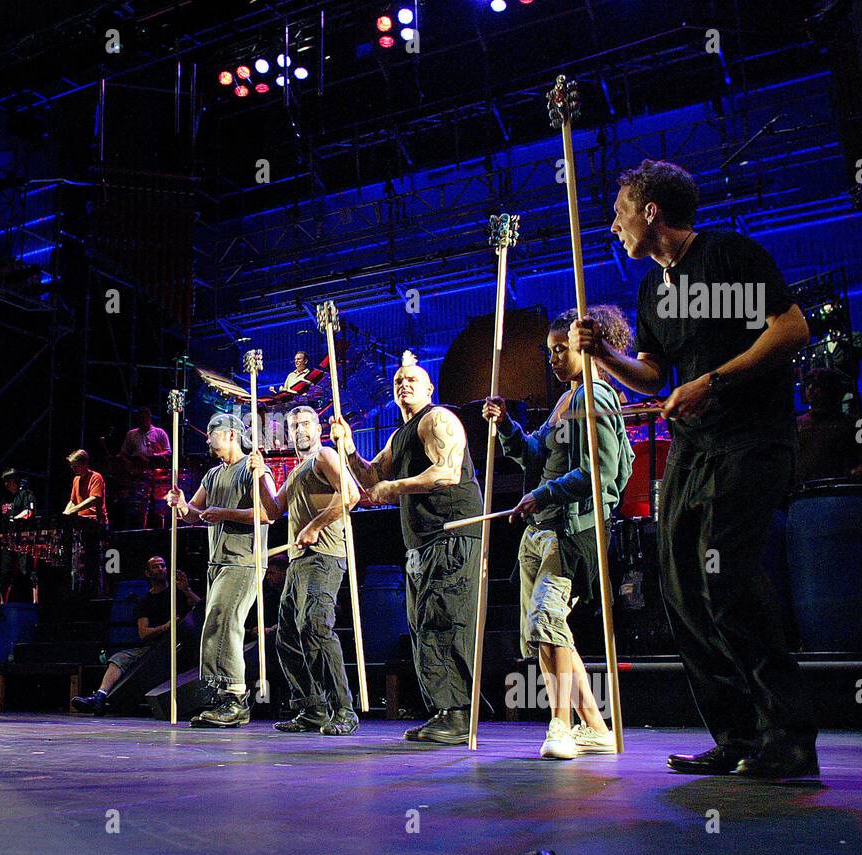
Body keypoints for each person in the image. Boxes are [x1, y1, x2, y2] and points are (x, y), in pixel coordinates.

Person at [572, 158, 818, 778]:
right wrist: (604, 356)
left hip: (751, 438)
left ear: (651, 212)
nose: (614, 224)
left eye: (621, 210)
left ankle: (787, 737)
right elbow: (653, 373)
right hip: (693, 446)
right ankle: (736, 736)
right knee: (681, 587)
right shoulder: (653, 288)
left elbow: (791, 330)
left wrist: (712, 381)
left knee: (728, 575)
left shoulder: (730, 256)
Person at [485, 306, 635, 759]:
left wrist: (544, 495)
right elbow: (535, 455)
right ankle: (595, 725)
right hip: (542, 533)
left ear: (586, 348)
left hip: (573, 533)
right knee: (550, 633)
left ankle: (561, 726)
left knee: (547, 621)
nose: (552, 358)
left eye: (560, 349)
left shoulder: (598, 397)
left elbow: (601, 473)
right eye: (549, 351)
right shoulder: (564, 400)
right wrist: (506, 428)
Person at [330, 354, 485, 744]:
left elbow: (446, 472)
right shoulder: (398, 437)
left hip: (450, 534)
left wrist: (394, 488)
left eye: (413, 378)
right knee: (422, 628)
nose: (405, 384)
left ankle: (459, 714)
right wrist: (348, 448)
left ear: (430, 388)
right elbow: (369, 479)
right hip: (421, 543)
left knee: (445, 621)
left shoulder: (439, 420)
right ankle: (445, 711)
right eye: (399, 379)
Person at [248, 405, 362, 735]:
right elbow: (271, 511)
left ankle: (343, 709)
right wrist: (260, 475)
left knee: (314, 626)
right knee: (286, 637)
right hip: (299, 563)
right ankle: (312, 709)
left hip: (325, 556)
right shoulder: (297, 471)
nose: (300, 429)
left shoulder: (324, 456)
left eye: (306, 423)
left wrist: (314, 525)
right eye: (294, 425)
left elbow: (351, 494)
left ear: (318, 428)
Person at [167, 412, 276, 728]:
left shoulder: (251, 469)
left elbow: (268, 513)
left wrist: (223, 513)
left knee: (224, 620)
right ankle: (221, 695)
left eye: (211, 432)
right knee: (214, 623)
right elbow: (194, 515)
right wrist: (183, 505)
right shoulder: (212, 475)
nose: (207, 438)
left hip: (244, 561)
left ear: (230, 434)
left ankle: (235, 698)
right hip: (218, 561)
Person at [71, 556, 201, 715]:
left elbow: (202, 609)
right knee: (120, 658)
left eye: (163, 566)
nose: (161, 569)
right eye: (156, 567)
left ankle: (99, 701)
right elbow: (143, 633)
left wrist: (187, 590)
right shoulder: (146, 601)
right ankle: (100, 696)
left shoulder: (178, 592)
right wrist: (165, 627)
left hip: (183, 645)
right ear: (147, 573)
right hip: (154, 647)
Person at [794, 369, 862, 486]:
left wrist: (851, 477)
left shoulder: (857, 424)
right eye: (808, 385)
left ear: (831, 389)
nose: (811, 389)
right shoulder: (797, 424)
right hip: (806, 495)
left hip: (839, 494)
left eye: (818, 385)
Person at [118, 408, 171, 529]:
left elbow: (168, 452)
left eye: (144, 418)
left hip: (157, 476)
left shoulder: (159, 432)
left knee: (159, 507)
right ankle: (139, 531)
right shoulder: (131, 434)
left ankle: (159, 532)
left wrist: (152, 457)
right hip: (138, 475)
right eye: (140, 419)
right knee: (139, 507)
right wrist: (131, 464)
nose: (142, 421)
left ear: (149, 418)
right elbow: (123, 453)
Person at [0, 468, 37, 604]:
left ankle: (30, 602)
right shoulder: (5, 497)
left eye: (7, 482)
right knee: (5, 572)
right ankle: (3, 603)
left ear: (14, 481)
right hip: (7, 539)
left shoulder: (26, 494)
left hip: (23, 539)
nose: (5, 485)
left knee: (25, 571)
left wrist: (14, 519)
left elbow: (29, 512)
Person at [63, 450, 107, 528]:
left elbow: (93, 499)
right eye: (72, 467)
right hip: (82, 521)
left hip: (97, 522)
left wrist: (72, 510)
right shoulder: (76, 479)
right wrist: (65, 514)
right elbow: (73, 501)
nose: (73, 469)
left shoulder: (96, 477)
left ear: (85, 464)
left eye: (76, 466)